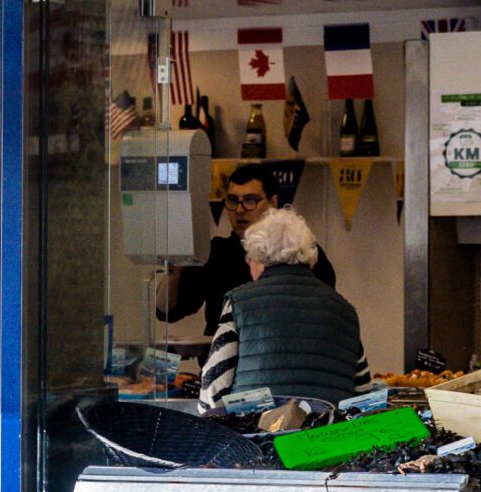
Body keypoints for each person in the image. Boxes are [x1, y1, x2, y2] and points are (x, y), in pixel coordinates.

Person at [199, 208, 369, 409]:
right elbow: (363, 394)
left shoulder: (239, 302)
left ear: (260, 259)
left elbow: (213, 387)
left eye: (250, 260)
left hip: (258, 435)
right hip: (328, 436)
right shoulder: (345, 310)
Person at [157, 162, 334, 338]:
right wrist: (174, 275)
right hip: (222, 359)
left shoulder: (302, 251)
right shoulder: (217, 252)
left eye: (250, 201)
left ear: (273, 202)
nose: (240, 210)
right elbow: (167, 312)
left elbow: (326, 312)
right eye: (233, 201)